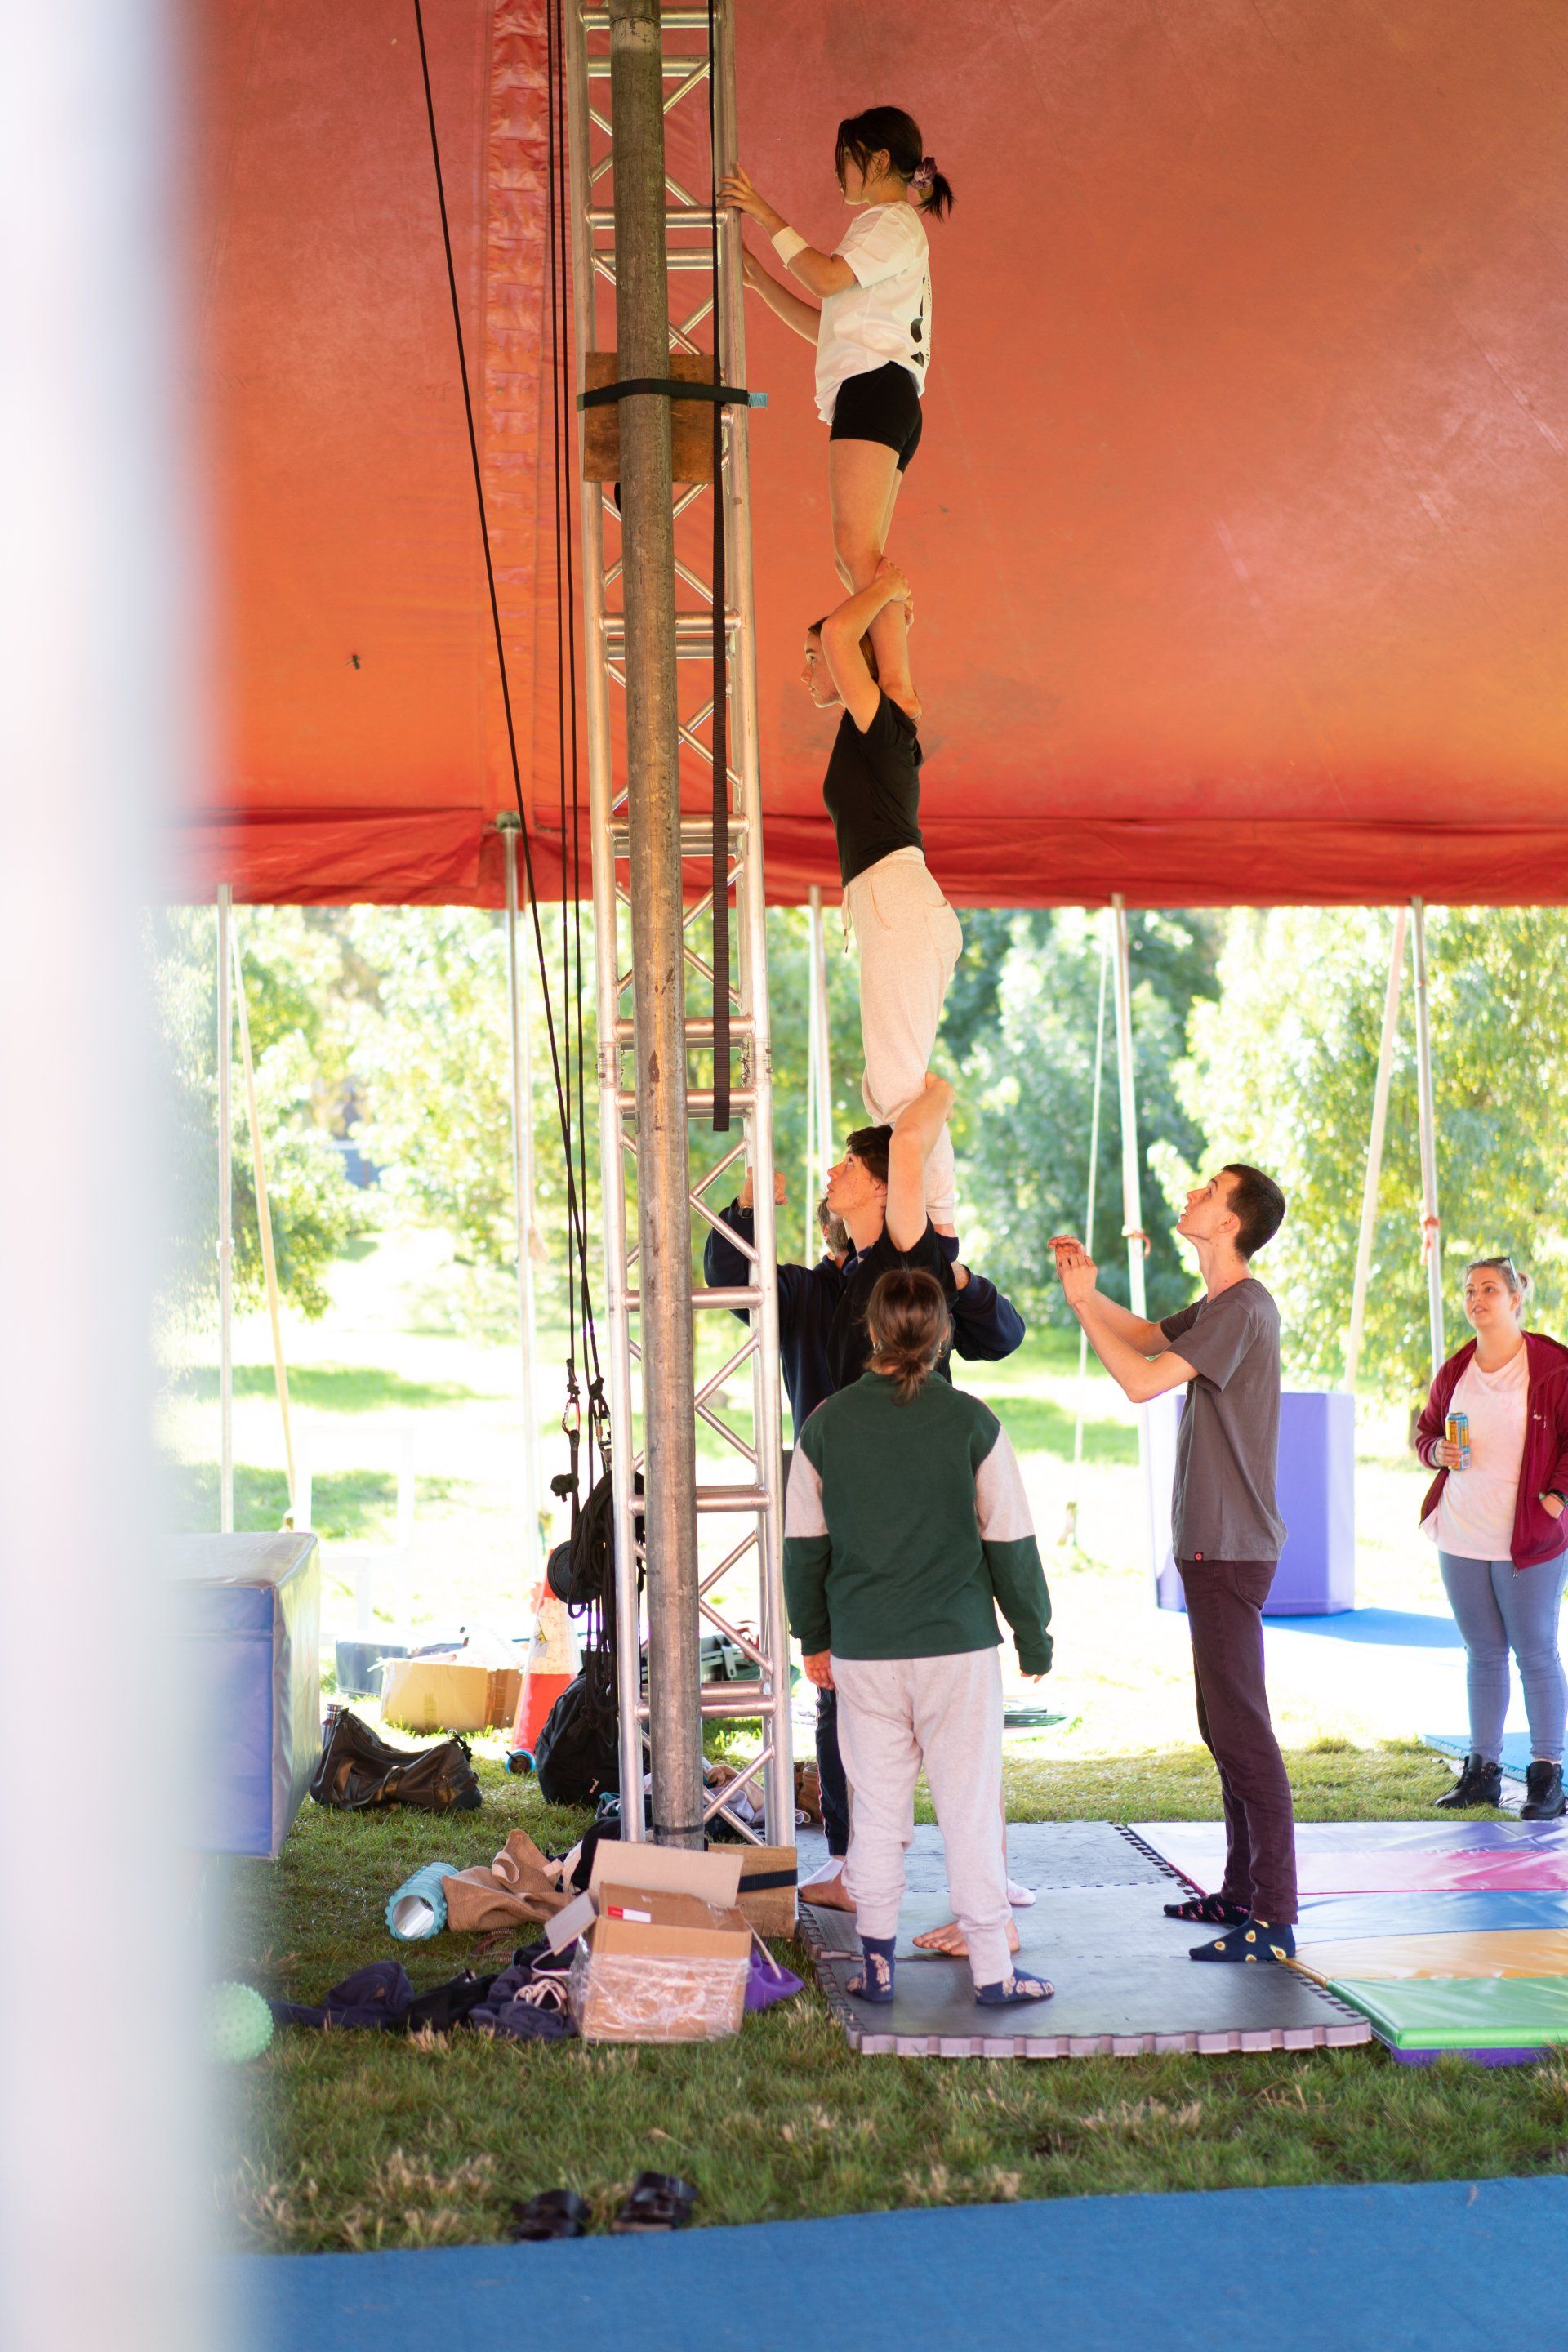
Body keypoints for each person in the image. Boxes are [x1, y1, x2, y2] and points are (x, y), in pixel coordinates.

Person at [703, 1155, 1028, 1887]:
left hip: (929, 1512)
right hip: (845, 1520)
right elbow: (728, 1272)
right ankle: (853, 1864)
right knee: (838, 1695)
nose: (828, 1169)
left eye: (849, 1162)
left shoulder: (912, 1271)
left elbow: (1001, 1333)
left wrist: (962, 1276)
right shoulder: (811, 1293)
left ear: (887, 1186)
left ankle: (984, 1875)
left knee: (954, 1712)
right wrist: (750, 1204)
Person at [783, 1268, 1054, 2009]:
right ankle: (995, 1972)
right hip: (958, 1650)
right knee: (969, 1808)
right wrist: (1034, 1637)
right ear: (942, 1338)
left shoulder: (825, 1425)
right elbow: (1012, 1542)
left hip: (864, 1652)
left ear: (869, 1333)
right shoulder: (973, 1422)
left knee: (876, 1814)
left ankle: (875, 1967)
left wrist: (814, 1638)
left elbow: (804, 1547)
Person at [1054, 1165, 1297, 1963]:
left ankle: (1275, 1914)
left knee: (1243, 1730)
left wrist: (1086, 1303)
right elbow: (1147, 1337)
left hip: (1229, 1547)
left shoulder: (1245, 1307)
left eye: (1207, 1190)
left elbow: (1138, 1381)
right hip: (1211, 1544)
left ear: (1231, 1222)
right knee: (1220, 1724)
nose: (1192, 1193)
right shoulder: (1221, 1307)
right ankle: (1239, 1891)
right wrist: (1087, 1296)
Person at [722, 108, 954, 712]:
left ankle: (898, 687)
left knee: (857, 554)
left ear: (877, 160)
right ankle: (894, 680)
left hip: (877, 392)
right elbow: (828, 324)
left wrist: (765, 213)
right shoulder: (890, 228)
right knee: (857, 556)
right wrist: (760, 281)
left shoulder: (892, 222)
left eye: (842, 160)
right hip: (884, 393)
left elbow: (826, 279)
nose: (835, 174)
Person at [802, 565, 962, 1232]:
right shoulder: (879, 725)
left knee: (895, 1093)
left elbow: (844, 629)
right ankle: (935, 1226)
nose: (811, 669)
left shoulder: (881, 726)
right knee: (894, 1089)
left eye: (815, 659)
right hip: (893, 907)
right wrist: (887, 602)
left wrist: (889, 588)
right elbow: (861, 646)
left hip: (895, 905)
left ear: (852, 665)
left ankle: (934, 1228)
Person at [1414, 1255, 1568, 1821]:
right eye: (1469, 1291)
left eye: (1488, 1290)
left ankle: (1547, 1777)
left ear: (1514, 1297)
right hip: (1461, 1531)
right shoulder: (1456, 1368)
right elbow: (1426, 1433)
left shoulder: (1552, 1363)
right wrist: (1437, 1452)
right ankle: (1482, 1772)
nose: (1475, 1299)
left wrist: (1558, 1498)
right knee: (1482, 1653)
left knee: (1535, 1652)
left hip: (1528, 1538)